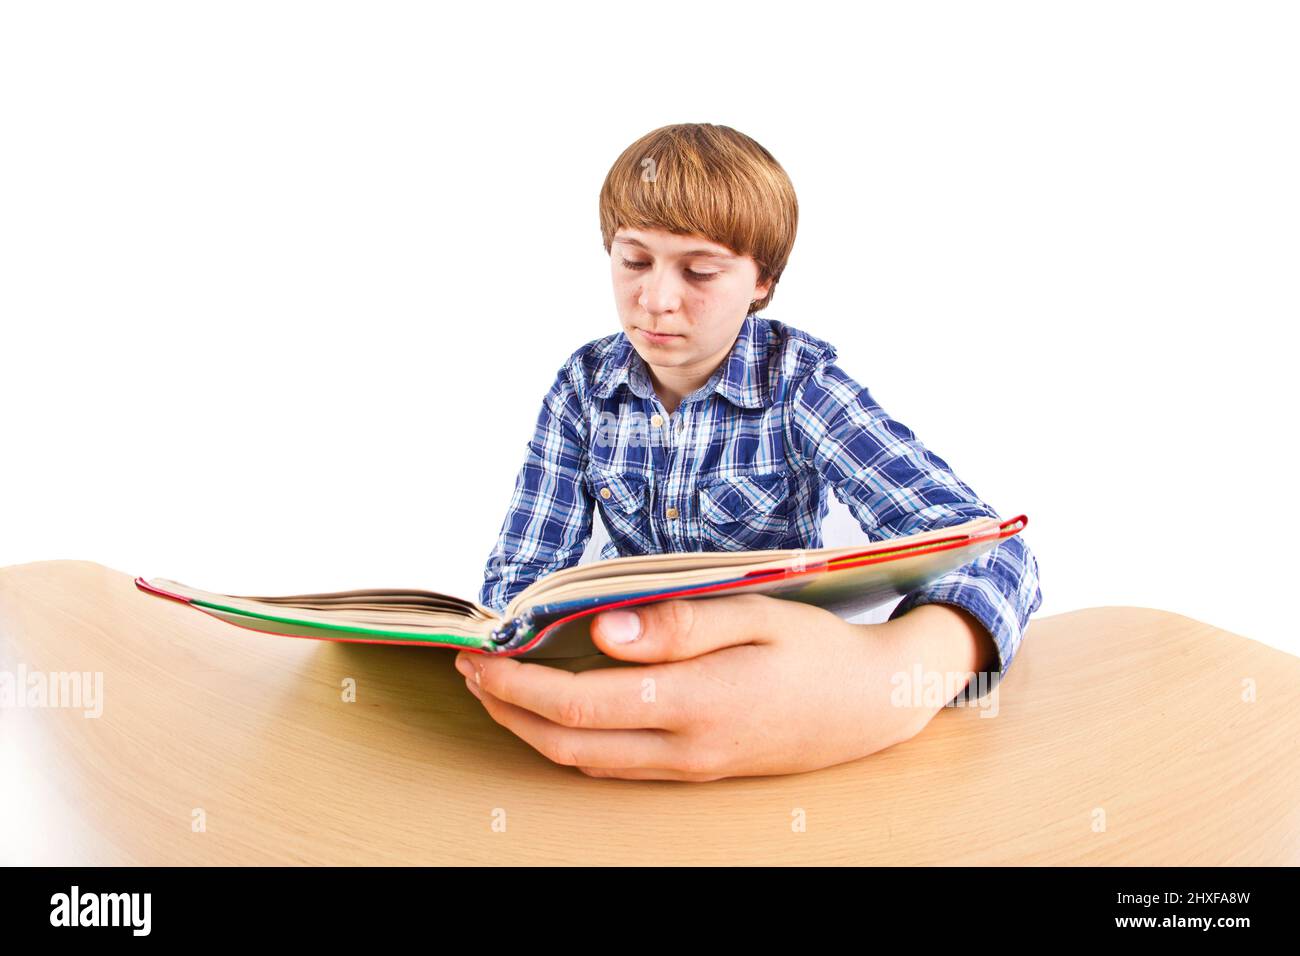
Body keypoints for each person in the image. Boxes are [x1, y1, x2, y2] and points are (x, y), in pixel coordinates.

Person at [458, 122, 1042, 781]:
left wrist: (893, 680)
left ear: (762, 281)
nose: (656, 300)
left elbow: (990, 544)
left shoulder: (801, 386)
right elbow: (523, 568)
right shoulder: (582, 388)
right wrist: (504, 645)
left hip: (778, 710)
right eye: (634, 260)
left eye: (700, 270)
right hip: (618, 682)